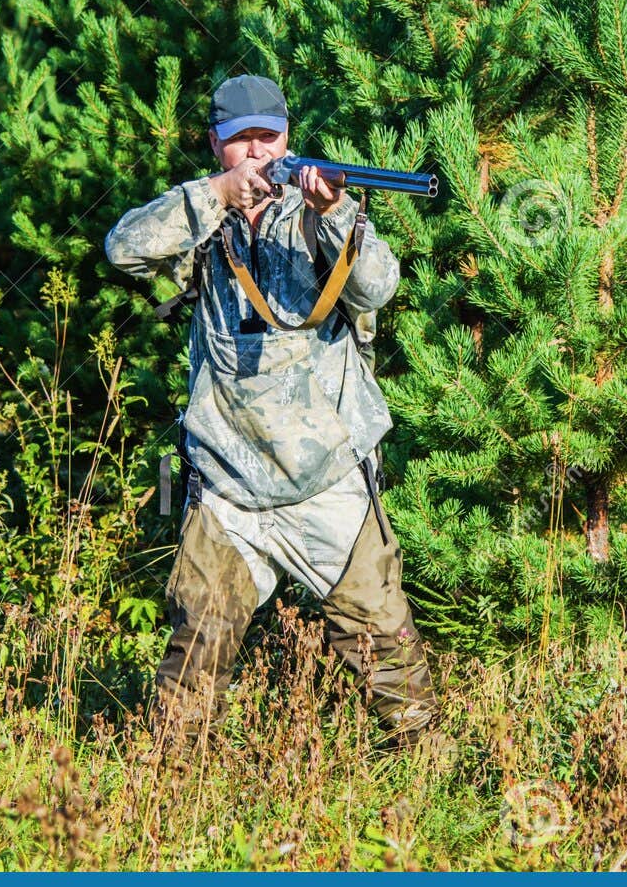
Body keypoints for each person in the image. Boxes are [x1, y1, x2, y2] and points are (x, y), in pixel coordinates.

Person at [105, 74, 438, 753]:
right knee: (196, 646)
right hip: (231, 483)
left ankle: (428, 782)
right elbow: (123, 248)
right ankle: (158, 800)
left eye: (269, 137)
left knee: (385, 649)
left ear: (288, 135)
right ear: (216, 146)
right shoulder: (203, 215)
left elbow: (379, 286)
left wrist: (335, 214)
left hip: (328, 481)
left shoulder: (317, 211)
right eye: (240, 142)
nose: (258, 153)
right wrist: (215, 197)